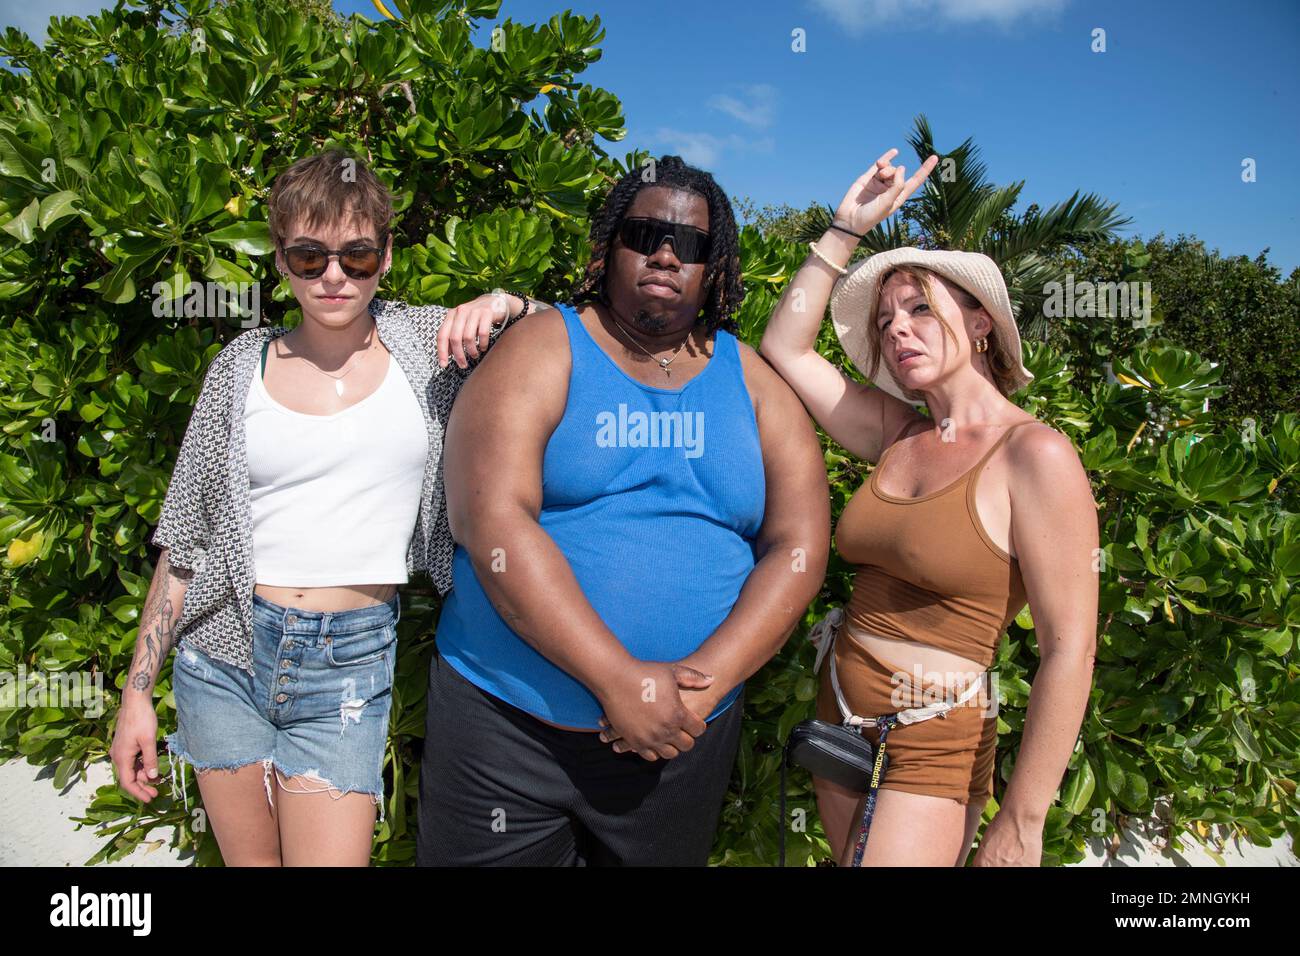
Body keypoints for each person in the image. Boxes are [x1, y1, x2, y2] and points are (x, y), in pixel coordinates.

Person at [109, 148, 544, 866]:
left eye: (357, 255)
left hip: (349, 663)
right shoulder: (236, 368)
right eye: (309, 257)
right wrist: (135, 696)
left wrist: (506, 303)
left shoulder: (430, 347)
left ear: (386, 254)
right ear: (280, 261)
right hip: (222, 656)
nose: (335, 276)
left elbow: (567, 345)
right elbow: (183, 544)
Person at [417, 156, 830, 866]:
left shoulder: (756, 384)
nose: (666, 253)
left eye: (691, 244)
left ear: (715, 267)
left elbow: (800, 546)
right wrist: (617, 678)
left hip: (683, 739)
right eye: (644, 233)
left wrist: (703, 685)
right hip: (505, 730)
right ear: (609, 246)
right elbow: (491, 522)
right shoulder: (542, 347)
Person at [759, 148, 1098, 866]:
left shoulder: (1033, 455)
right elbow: (784, 346)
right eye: (884, 321)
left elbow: (1070, 649)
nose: (897, 330)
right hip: (839, 716)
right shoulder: (897, 430)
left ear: (981, 323)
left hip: (933, 733)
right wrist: (845, 229)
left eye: (919, 308)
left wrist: (1022, 820)